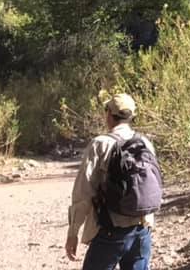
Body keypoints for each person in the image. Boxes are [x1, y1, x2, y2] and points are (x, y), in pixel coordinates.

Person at [66, 93, 156, 270]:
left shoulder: (100, 144)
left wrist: (73, 232)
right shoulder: (145, 142)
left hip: (111, 230)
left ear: (109, 114)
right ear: (131, 116)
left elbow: (83, 192)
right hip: (142, 229)